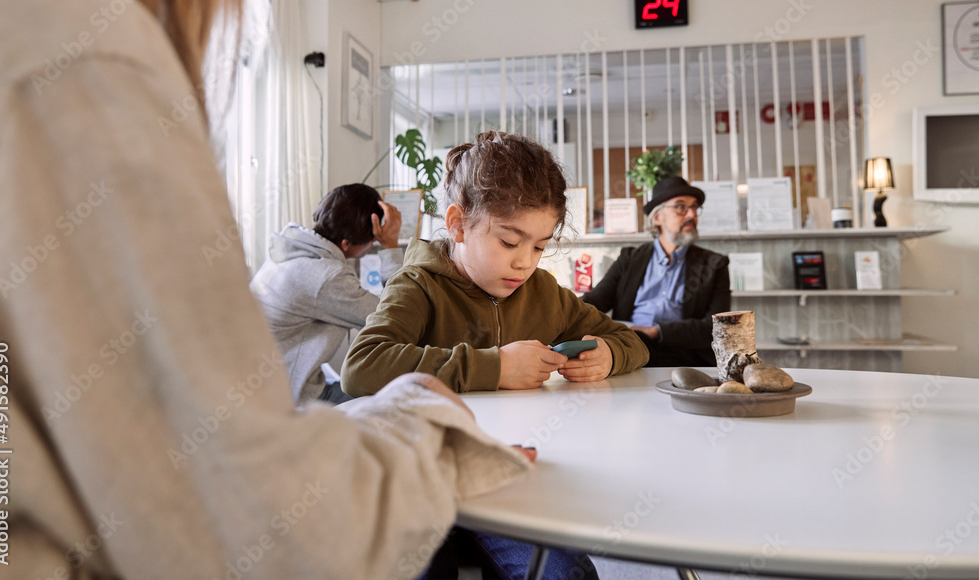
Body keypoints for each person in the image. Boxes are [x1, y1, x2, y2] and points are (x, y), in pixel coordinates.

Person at [0, 0, 533, 578]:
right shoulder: (70, 38)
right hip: (296, 407)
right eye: (510, 238)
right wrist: (427, 412)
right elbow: (256, 526)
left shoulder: (295, 256)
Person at [343, 131, 649, 580]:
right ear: (458, 224)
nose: (526, 262)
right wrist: (497, 365)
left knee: (567, 575)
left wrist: (608, 353)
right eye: (510, 242)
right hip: (421, 480)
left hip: (510, 478)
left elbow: (630, 341)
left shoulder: (543, 291)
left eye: (540, 246)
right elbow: (362, 366)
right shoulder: (418, 285)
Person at [250, 184, 402, 405]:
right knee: (395, 404)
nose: (372, 245)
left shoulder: (291, 251)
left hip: (270, 388)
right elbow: (397, 317)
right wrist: (391, 245)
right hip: (291, 400)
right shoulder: (326, 276)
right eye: (372, 241)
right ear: (346, 244)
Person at [582, 176, 731, 368]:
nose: (691, 214)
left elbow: (717, 326)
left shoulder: (714, 264)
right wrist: (565, 316)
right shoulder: (629, 259)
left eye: (694, 207)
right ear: (657, 217)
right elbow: (594, 301)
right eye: (680, 207)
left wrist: (656, 331)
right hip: (631, 348)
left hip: (686, 355)